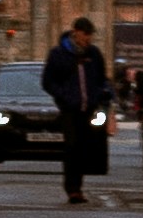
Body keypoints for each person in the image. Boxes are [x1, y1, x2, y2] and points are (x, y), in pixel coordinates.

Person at [41, 22, 115, 204]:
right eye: (85, 34)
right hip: (70, 109)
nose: (87, 39)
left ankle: (78, 187)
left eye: (90, 35)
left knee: (83, 147)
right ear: (75, 33)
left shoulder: (94, 54)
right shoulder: (58, 54)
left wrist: (103, 93)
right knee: (72, 146)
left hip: (89, 109)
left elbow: (101, 79)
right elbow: (48, 82)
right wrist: (63, 96)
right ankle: (73, 189)